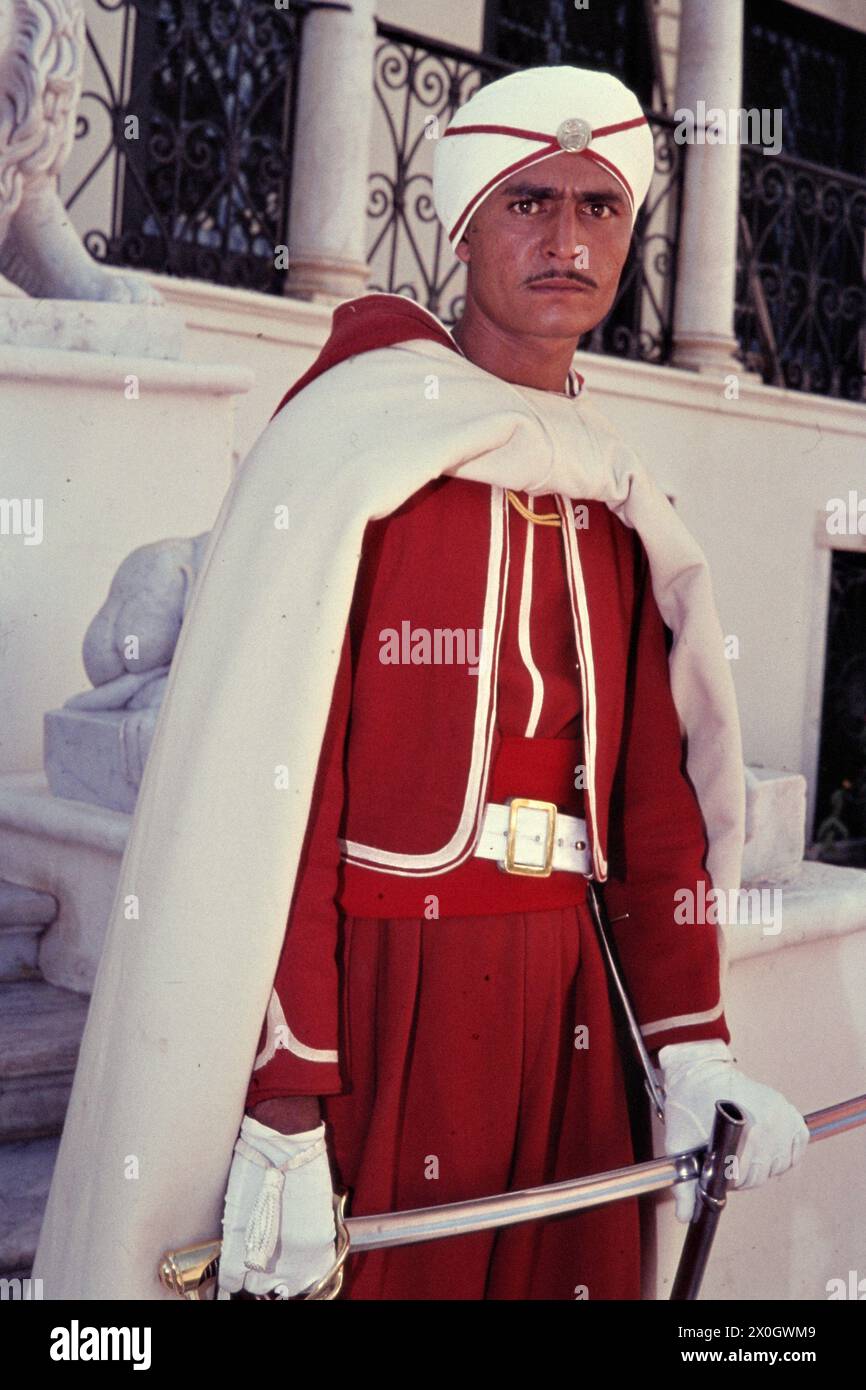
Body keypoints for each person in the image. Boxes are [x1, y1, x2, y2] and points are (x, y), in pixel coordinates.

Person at [214, 66, 809, 1302]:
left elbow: (653, 806)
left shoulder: (611, 483)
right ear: (464, 221)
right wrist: (287, 1081)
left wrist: (689, 1047)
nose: (564, 238)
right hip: (390, 997)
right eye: (528, 200)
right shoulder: (354, 434)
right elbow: (278, 785)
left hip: (568, 1005)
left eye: (598, 209)